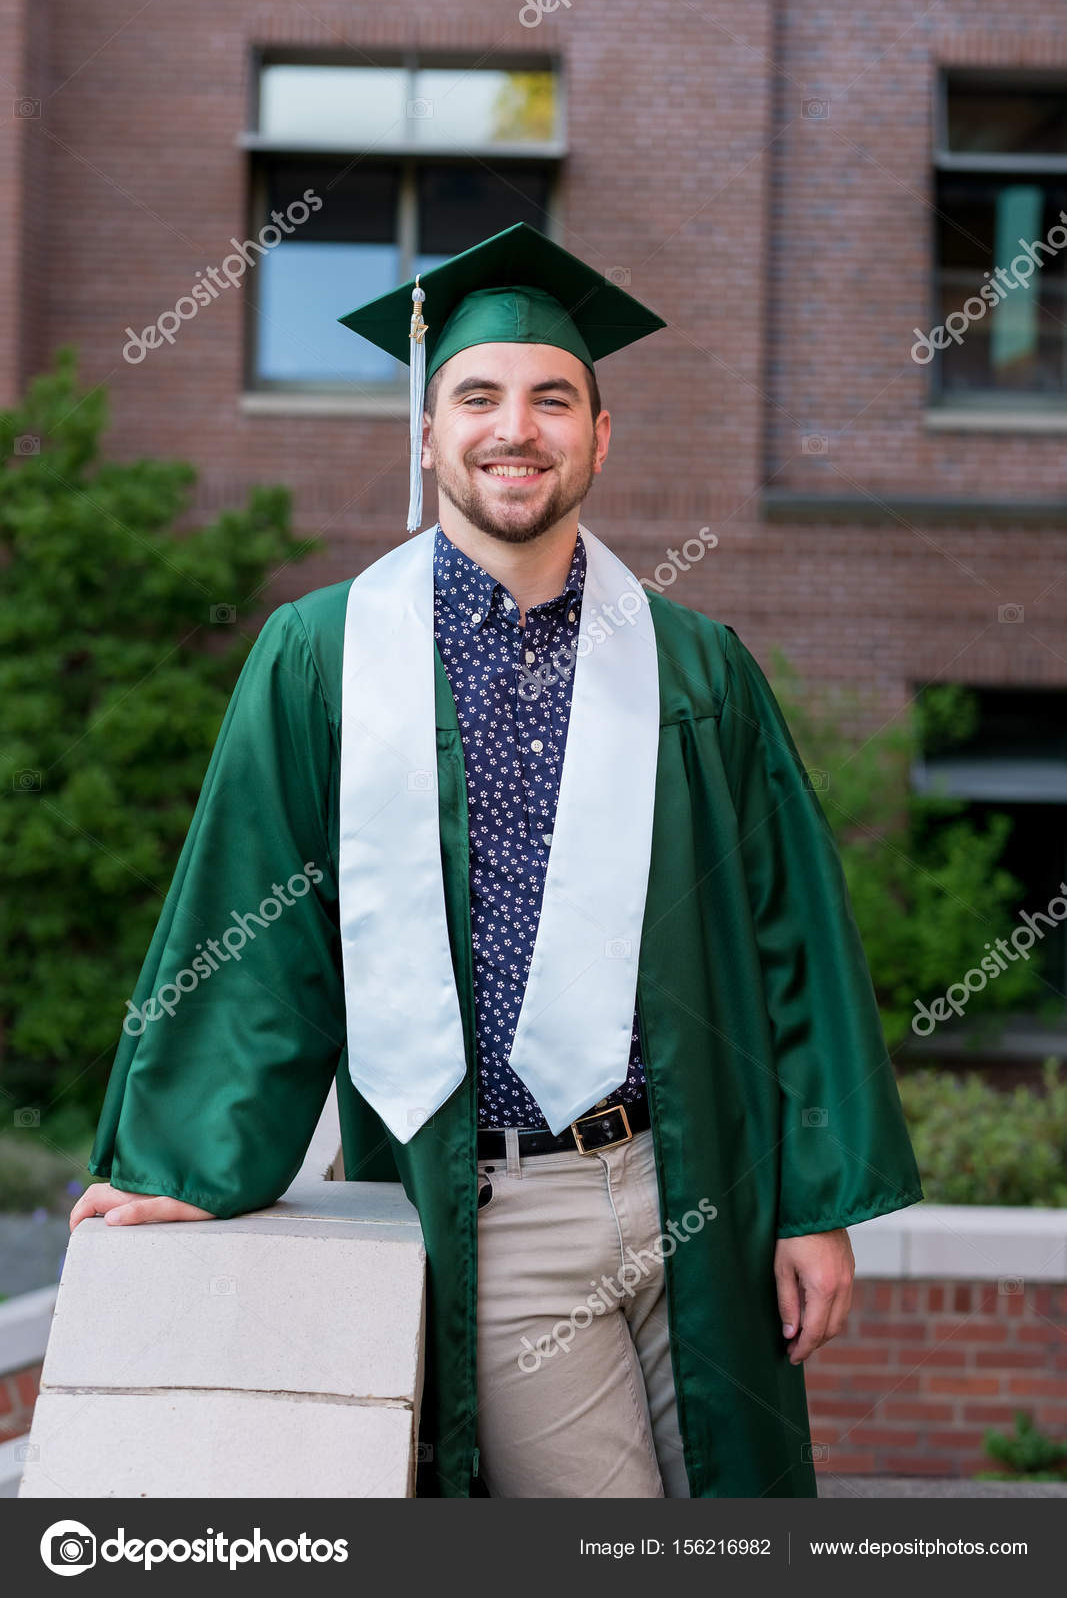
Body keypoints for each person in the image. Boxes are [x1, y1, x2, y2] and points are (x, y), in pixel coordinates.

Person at [72, 221, 924, 1499]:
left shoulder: (695, 666)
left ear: (597, 433)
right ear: (427, 432)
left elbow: (789, 930)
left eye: (551, 397)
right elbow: (254, 919)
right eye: (476, 395)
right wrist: (182, 1159)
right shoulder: (323, 656)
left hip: (696, 1179)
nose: (512, 427)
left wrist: (810, 1200)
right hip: (497, 1206)